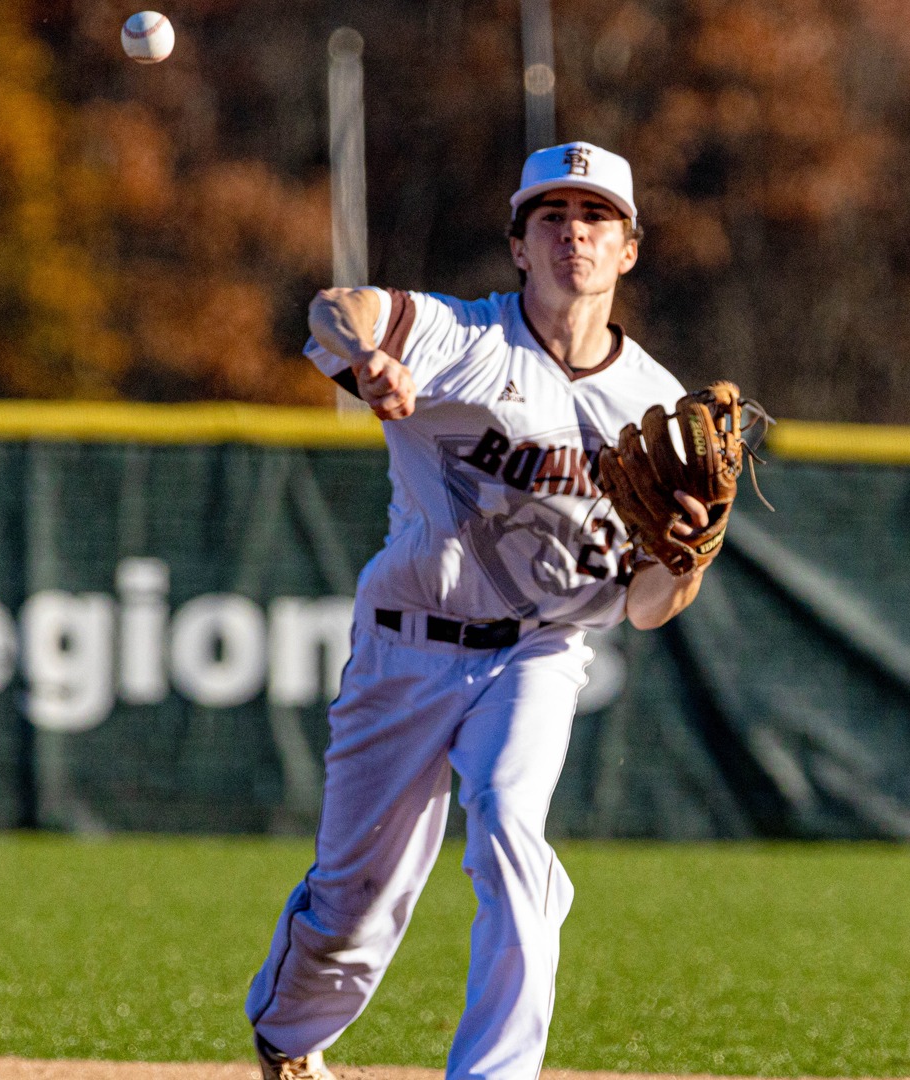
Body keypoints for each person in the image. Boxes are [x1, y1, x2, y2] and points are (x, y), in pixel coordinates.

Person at [246, 141, 711, 1080]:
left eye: (596, 219)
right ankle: (290, 1040)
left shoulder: (658, 406)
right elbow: (335, 307)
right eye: (552, 217)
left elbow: (651, 607)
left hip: (541, 652)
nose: (574, 232)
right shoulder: (464, 337)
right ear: (518, 244)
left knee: (509, 828)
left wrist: (684, 555)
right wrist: (368, 355)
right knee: (355, 903)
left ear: (628, 250)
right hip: (407, 645)